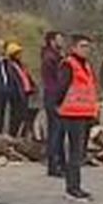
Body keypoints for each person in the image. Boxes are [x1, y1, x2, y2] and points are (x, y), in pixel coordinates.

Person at [57, 34, 101, 201]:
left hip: (85, 113)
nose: (86, 49)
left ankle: (75, 186)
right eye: (83, 46)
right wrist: (58, 105)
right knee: (74, 153)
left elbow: (90, 89)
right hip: (72, 113)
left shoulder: (86, 66)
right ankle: (72, 187)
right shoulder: (69, 65)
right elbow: (61, 87)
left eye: (88, 46)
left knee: (80, 152)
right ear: (73, 48)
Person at [40, 31, 68, 177]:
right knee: (55, 132)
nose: (62, 41)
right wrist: (58, 99)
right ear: (52, 41)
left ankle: (61, 163)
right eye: (59, 39)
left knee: (59, 132)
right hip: (54, 98)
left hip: (57, 98)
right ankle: (54, 165)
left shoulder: (57, 57)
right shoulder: (50, 58)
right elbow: (53, 82)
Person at [1, 41, 37, 137]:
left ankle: (22, 135)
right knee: (16, 117)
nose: (20, 55)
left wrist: (32, 86)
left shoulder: (21, 65)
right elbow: (13, 81)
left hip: (25, 93)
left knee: (25, 117)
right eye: (18, 53)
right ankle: (13, 135)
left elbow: (26, 77)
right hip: (17, 95)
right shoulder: (9, 66)